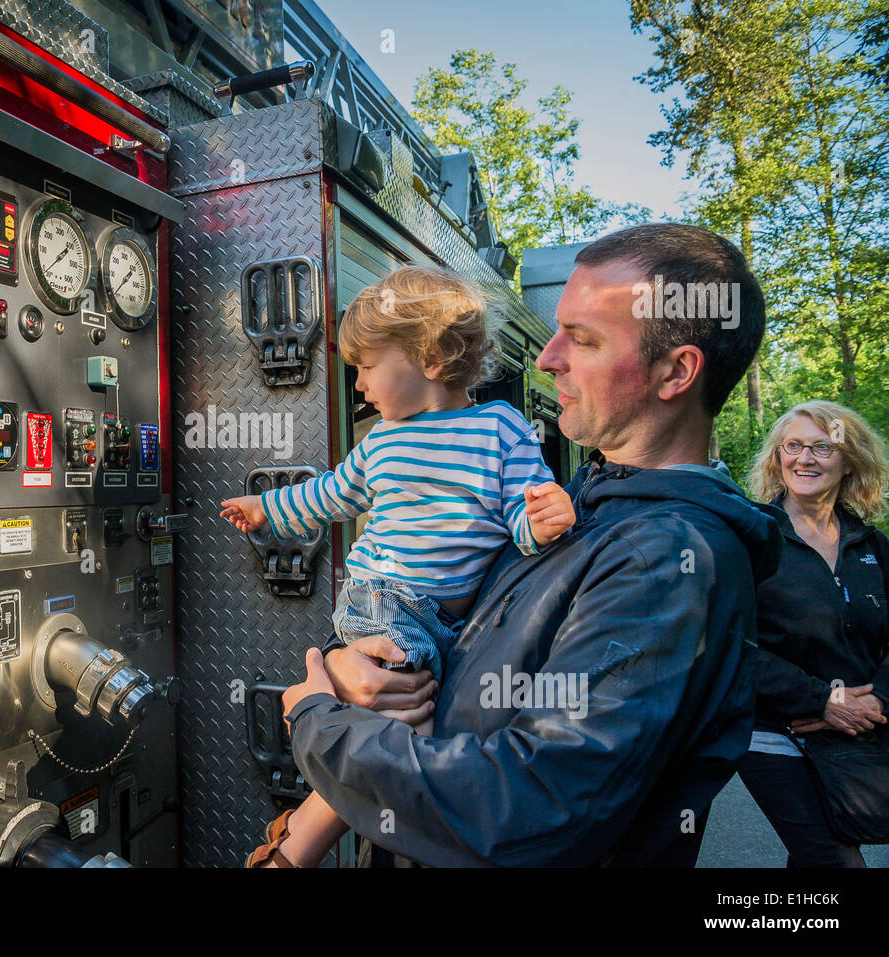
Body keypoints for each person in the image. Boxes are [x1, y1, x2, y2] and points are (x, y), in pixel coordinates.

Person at [276, 222, 784, 867]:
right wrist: (361, 671)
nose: (546, 359)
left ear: (675, 371)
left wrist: (320, 719)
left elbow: (525, 808)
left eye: (582, 338)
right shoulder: (588, 509)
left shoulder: (666, 560)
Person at [218, 265, 575, 867]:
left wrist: (541, 521)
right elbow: (329, 496)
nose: (358, 385)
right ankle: (299, 850)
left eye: (365, 365)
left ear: (432, 358)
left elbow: (521, 514)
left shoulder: (502, 430)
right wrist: (268, 509)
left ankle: (298, 840)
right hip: (383, 599)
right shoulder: (382, 441)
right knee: (408, 729)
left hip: (447, 619)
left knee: (401, 728)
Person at [738, 400, 889, 867]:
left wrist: (876, 701)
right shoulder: (748, 538)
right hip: (772, 730)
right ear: (777, 457)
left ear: (849, 462)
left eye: (823, 447)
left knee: (820, 854)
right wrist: (819, 700)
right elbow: (729, 643)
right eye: (794, 446)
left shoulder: (873, 546)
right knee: (833, 859)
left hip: (858, 728)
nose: (805, 458)